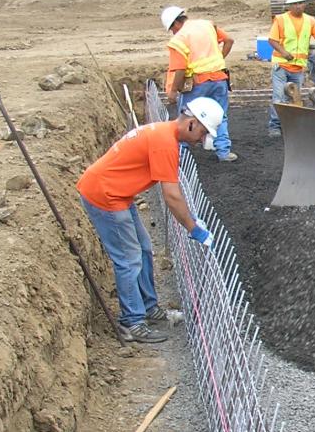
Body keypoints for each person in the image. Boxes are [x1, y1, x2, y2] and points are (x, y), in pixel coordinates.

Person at [76, 100, 222, 344]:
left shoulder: (164, 134)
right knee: (128, 258)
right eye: (203, 132)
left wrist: (191, 219)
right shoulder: (165, 144)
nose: (201, 139)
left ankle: (148, 307)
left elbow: (174, 192)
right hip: (105, 195)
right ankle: (132, 322)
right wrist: (193, 228)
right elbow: (172, 196)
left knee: (143, 248)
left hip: (118, 193)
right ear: (192, 122)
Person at [160, 5, 237, 163]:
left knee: (187, 116)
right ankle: (224, 152)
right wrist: (219, 60)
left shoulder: (179, 38)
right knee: (220, 114)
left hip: (198, 82)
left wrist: (173, 91)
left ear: (175, 24)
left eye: (171, 29)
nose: (173, 32)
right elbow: (229, 40)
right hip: (219, 78)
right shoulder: (207, 25)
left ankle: (180, 154)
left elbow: (180, 68)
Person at [266, 0, 315, 137]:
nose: (299, 6)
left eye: (301, 3)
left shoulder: (310, 21)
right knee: (279, 97)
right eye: (295, 3)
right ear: (290, 5)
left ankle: (291, 125)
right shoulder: (280, 19)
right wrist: (284, 53)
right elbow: (272, 40)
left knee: (295, 99)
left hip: (298, 67)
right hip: (281, 65)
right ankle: (275, 125)